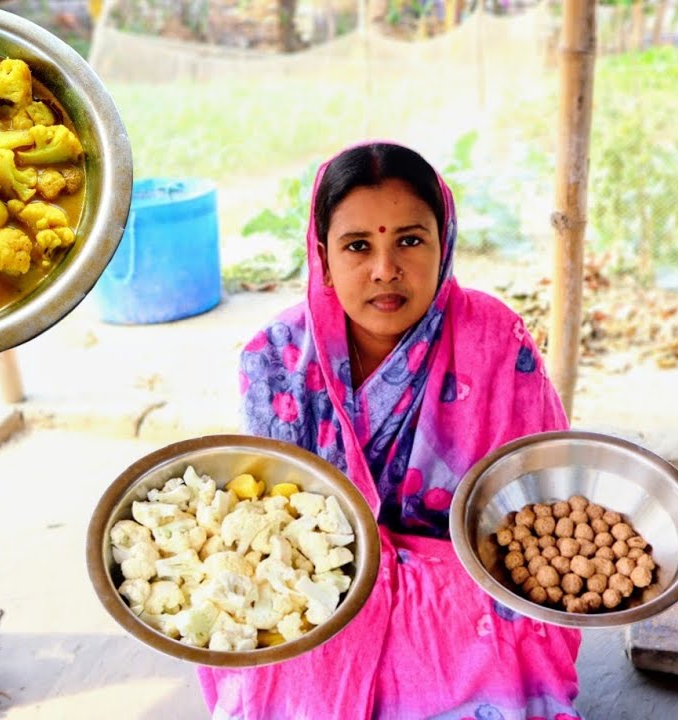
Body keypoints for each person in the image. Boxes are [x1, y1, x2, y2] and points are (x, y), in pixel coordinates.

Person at [199, 142, 581, 719]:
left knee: (483, 665)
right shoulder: (276, 357)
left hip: (472, 572)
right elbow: (271, 525)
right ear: (323, 256)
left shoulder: (493, 338)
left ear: (443, 242)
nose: (385, 270)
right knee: (284, 657)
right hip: (325, 580)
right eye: (358, 246)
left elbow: (537, 509)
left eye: (409, 240)